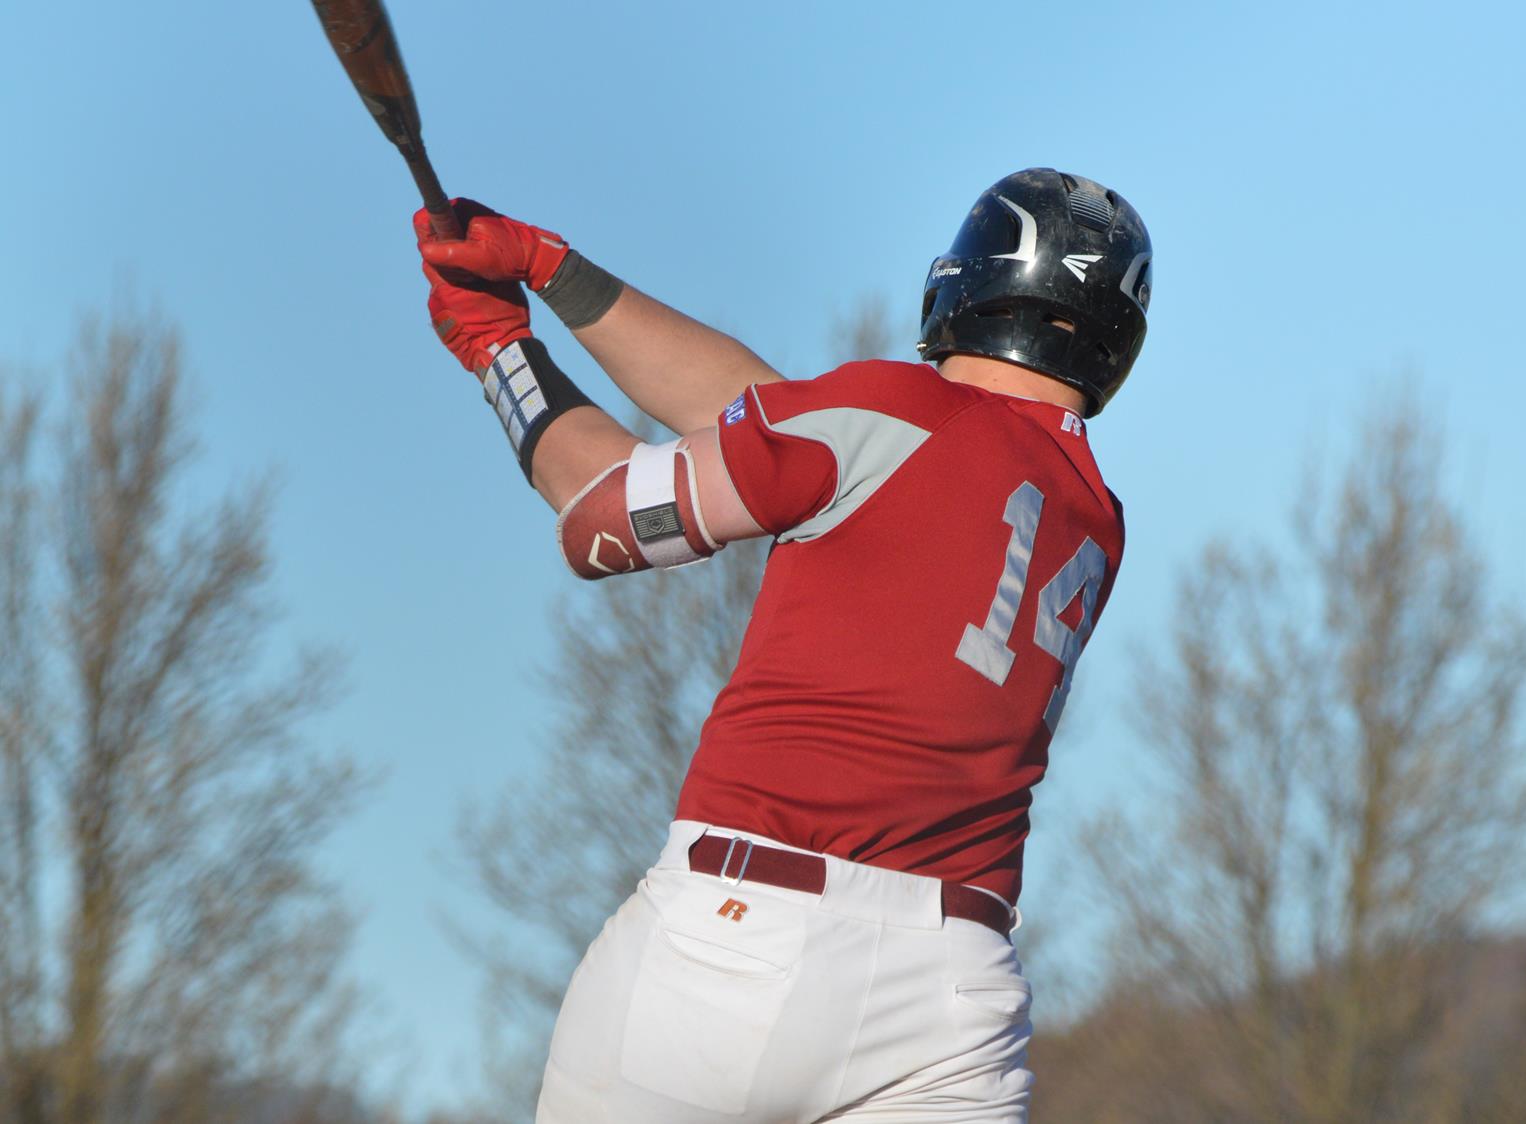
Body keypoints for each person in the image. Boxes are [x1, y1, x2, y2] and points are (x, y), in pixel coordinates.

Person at [414, 167, 1152, 1123]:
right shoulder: (1091, 513)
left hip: (734, 944)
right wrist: (555, 269)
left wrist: (501, 352)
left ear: (968, 280)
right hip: (955, 1004)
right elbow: (770, 414)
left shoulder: (881, 415)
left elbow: (599, 518)